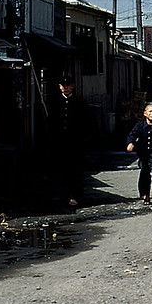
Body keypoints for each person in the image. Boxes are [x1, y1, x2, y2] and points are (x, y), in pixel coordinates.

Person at [48, 75, 91, 207]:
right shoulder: (54, 102)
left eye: (68, 85)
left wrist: (84, 140)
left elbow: (87, 123)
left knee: (76, 171)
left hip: (76, 143)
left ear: (72, 86)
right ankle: (62, 196)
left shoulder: (80, 101)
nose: (65, 88)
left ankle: (75, 195)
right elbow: (50, 123)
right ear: (59, 87)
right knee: (61, 170)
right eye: (63, 85)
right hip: (59, 143)